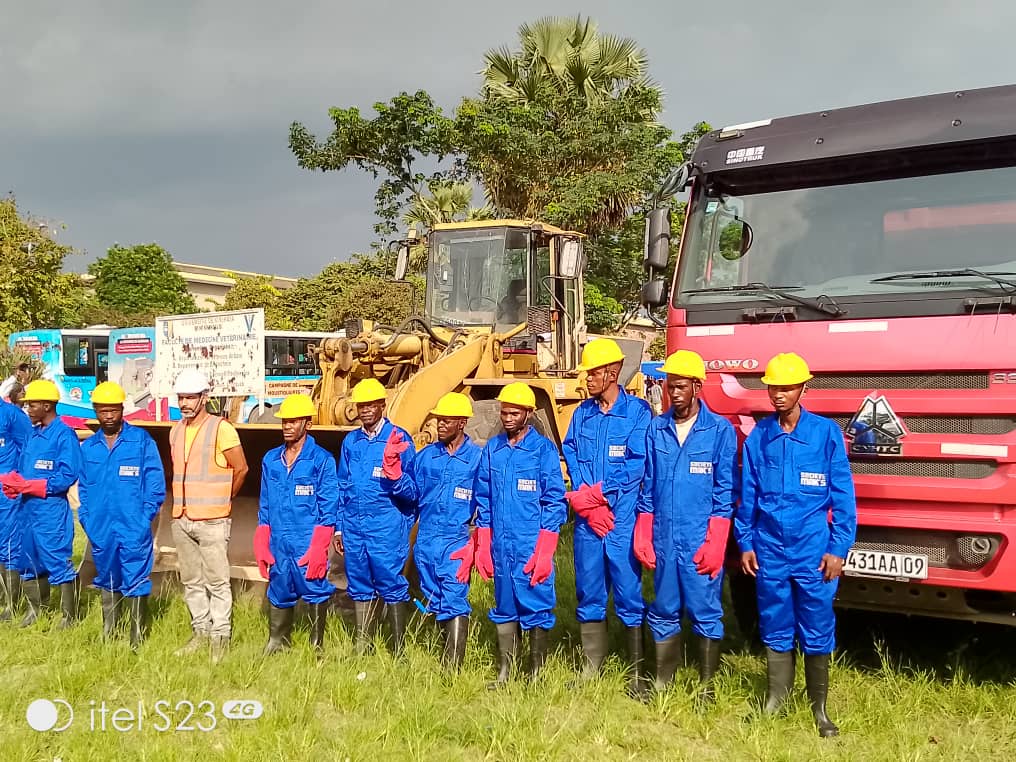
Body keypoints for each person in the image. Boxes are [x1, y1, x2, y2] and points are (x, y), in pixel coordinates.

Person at [735, 352, 857, 737]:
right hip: (769, 548)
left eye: (787, 387)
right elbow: (747, 495)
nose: (778, 395)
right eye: (773, 387)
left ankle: (819, 709)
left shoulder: (825, 435)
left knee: (817, 624)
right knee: (774, 622)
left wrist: (838, 548)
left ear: (804, 387)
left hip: (812, 549)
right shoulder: (760, 437)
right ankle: (776, 699)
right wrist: (746, 542)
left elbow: (843, 497)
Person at [633, 350, 737, 701]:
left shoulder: (720, 431)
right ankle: (663, 681)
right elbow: (647, 486)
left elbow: (725, 491)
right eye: (668, 387)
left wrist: (717, 539)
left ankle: (707, 687)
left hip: (699, 538)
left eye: (679, 387)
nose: (673, 394)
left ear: (696, 387)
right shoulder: (655, 430)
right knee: (663, 606)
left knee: (705, 609)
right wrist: (644, 529)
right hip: (664, 536)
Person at [562, 338, 652, 696]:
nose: (588, 380)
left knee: (629, 592)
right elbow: (572, 452)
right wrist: (586, 501)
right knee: (589, 590)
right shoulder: (582, 413)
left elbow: (637, 462)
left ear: (612, 373)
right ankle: (591, 667)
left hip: (622, 520)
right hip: (589, 522)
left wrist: (600, 496)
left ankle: (636, 673)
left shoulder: (638, 413)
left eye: (593, 373)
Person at [473, 382, 567, 687]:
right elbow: (483, 497)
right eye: (504, 412)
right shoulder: (493, 449)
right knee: (505, 606)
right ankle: (505, 671)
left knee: (536, 606)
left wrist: (545, 550)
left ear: (528, 413)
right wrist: (484, 542)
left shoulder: (542, 451)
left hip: (530, 544)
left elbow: (554, 501)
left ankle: (535, 672)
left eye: (514, 412)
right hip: (501, 545)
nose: (508, 417)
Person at [168, 369, 249, 663]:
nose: (185, 403)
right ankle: (200, 632)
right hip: (182, 517)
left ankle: (220, 638)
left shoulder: (221, 429)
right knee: (191, 580)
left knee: (217, 582)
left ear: (204, 398)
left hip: (213, 519)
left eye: (190, 397)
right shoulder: (175, 430)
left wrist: (224, 499)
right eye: (181, 397)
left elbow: (241, 469)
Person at [77, 381, 165, 649]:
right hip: (100, 526)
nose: (108, 416)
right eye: (102, 411)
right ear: (96, 411)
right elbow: (84, 487)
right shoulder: (89, 448)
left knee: (136, 576)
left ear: (121, 410)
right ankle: (109, 630)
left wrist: (144, 517)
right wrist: (88, 519)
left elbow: (155, 484)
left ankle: (136, 637)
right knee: (107, 574)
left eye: (113, 410)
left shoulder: (140, 442)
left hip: (133, 525)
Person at [333, 378, 418, 655]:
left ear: (383, 405)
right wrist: (339, 528)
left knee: (391, 582)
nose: (366, 410)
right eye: (362, 405)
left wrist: (395, 476)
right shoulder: (351, 441)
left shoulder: (398, 438)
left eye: (372, 405)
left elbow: (413, 491)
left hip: (385, 526)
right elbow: (342, 486)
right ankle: (363, 645)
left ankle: (398, 648)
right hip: (355, 527)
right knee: (358, 582)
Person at [254, 394, 338, 655]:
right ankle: (278, 641)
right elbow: (265, 502)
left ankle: (316, 646)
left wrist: (319, 546)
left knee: (314, 587)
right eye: (284, 421)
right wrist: (262, 537)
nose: (287, 426)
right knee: (279, 586)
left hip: (306, 540)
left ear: (307, 424)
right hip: (279, 539)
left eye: (293, 421)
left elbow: (329, 505)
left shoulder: (321, 460)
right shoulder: (271, 460)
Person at [0, 380, 82, 628]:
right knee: (28, 558)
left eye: (32, 405)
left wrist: (34, 486)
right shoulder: (33, 436)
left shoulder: (63, 434)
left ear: (47, 406)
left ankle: (70, 615)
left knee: (56, 558)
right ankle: (37, 610)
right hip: (27, 509)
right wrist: (14, 483)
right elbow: (24, 469)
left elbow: (68, 475)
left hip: (50, 509)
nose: (27, 410)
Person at [410, 392, 482, 670]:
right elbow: (412, 495)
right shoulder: (426, 457)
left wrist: (477, 540)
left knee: (454, 596)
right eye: (439, 419)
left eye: (447, 421)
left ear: (462, 423)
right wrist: (394, 474)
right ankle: (443, 653)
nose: (440, 425)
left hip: (457, 539)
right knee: (433, 596)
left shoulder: (476, 459)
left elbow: (485, 500)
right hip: (427, 539)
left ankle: (452, 667)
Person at [0, 390, 31, 620]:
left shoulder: (11, 415)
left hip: (7, 493)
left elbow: (28, 449)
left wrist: (17, 482)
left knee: (9, 543)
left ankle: (12, 604)